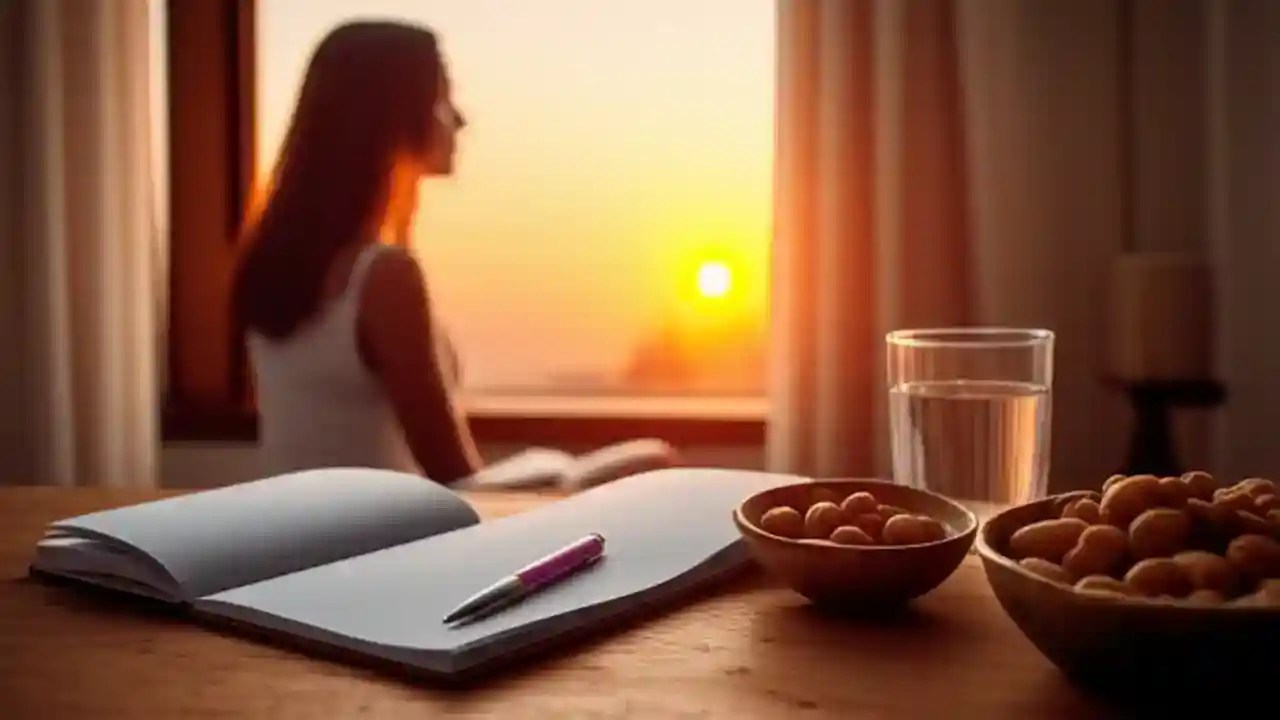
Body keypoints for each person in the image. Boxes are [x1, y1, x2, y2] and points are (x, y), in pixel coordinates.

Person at [232, 21, 481, 483]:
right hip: (387, 545)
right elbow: (457, 479)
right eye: (444, 100)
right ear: (394, 115)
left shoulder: (272, 261)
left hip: (296, 542)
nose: (460, 120)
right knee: (644, 462)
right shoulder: (384, 276)